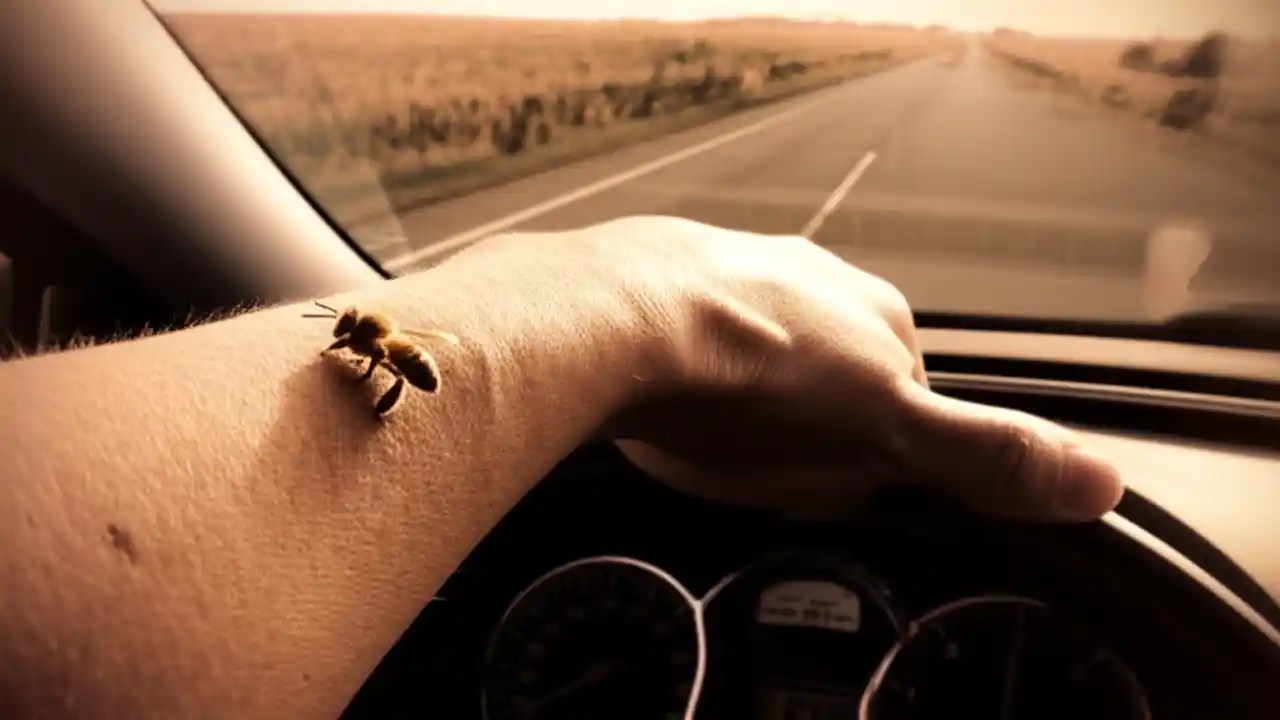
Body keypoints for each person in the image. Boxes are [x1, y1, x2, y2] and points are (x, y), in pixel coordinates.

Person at [0, 216, 1123, 719]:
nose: (345, 348)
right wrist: (633, 292)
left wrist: (626, 292)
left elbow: (386, 366)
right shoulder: (368, 347)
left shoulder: (381, 361)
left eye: (351, 345)